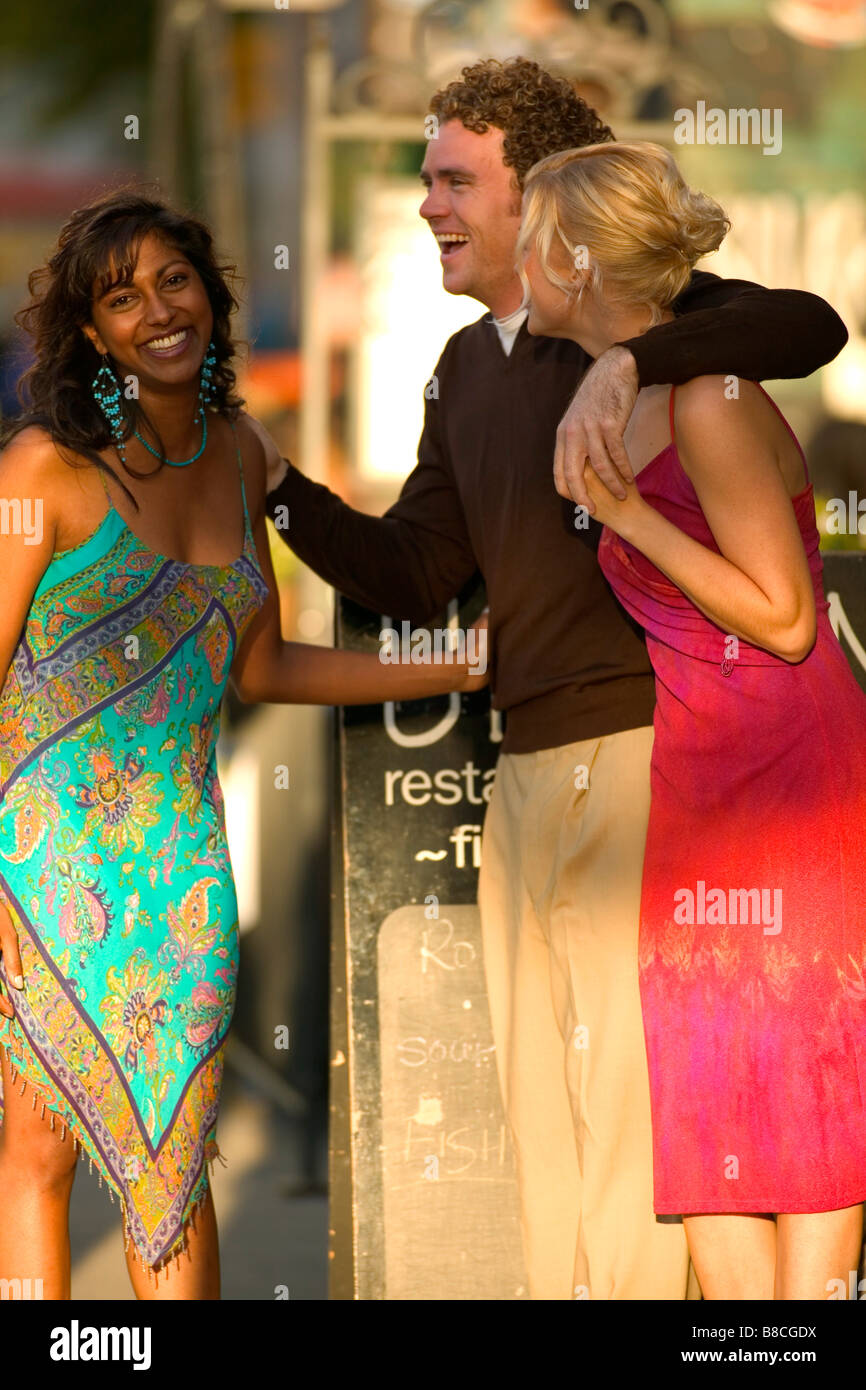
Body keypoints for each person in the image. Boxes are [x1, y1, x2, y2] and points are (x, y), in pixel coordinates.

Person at [254, 57, 849, 1300]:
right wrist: (277, 489)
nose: (427, 206)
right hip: (520, 774)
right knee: (546, 1128)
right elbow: (418, 568)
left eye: (452, 180)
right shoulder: (467, 367)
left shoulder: (667, 329)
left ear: (539, 205)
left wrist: (635, 364)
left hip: (651, 763)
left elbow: (809, 324)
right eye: (423, 180)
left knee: (646, 1132)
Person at [0, 189, 487, 1301]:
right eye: (121, 299)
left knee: (170, 1157)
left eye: (174, 282)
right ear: (91, 332)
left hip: (180, 874)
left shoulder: (238, 455)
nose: (157, 312)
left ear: (211, 301)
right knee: (39, 1151)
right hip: (36, 868)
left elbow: (261, 665)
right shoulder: (40, 470)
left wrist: (461, 663)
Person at [519, 137, 866, 1299]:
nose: (517, 260)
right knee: (704, 1092)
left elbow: (780, 618)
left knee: (806, 1090)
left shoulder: (709, 402)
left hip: (790, 766)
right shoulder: (627, 381)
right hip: (699, 769)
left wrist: (629, 514)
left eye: (531, 237)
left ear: (571, 257)